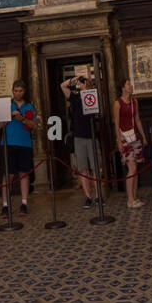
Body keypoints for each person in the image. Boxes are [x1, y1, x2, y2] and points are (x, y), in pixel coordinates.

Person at [60, 70, 99, 208]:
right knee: (83, 169)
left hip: (92, 136)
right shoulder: (75, 98)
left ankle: (98, 195)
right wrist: (76, 78)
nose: (82, 84)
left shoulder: (93, 96)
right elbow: (62, 86)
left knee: (95, 167)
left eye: (84, 82)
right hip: (79, 136)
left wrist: (88, 85)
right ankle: (88, 197)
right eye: (81, 83)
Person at [1, 81, 35, 216]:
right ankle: (5, 205)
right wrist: (9, 116)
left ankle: (24, 203)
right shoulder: (6, 105)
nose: (18, 93)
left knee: (23, 173)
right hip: (8, 143)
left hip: (25, 144)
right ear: (12, 91)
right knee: (7, 175)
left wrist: (23, 119)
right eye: (16, 90)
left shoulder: (29, 106)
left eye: (20, 90)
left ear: (24, 91)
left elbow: (34, 125)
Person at [114, 78, 147, 208]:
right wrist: (118, 141)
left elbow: (137, 119)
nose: (131, 86)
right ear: (123, 88)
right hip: (124, 136)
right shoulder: (118, 103)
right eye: (128, 84)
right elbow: (116, 123)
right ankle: (130, 199)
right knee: (131, 167)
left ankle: (135, 195)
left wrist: (143, 136)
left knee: (136, 167)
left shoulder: (134, 102)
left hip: (134, 135)